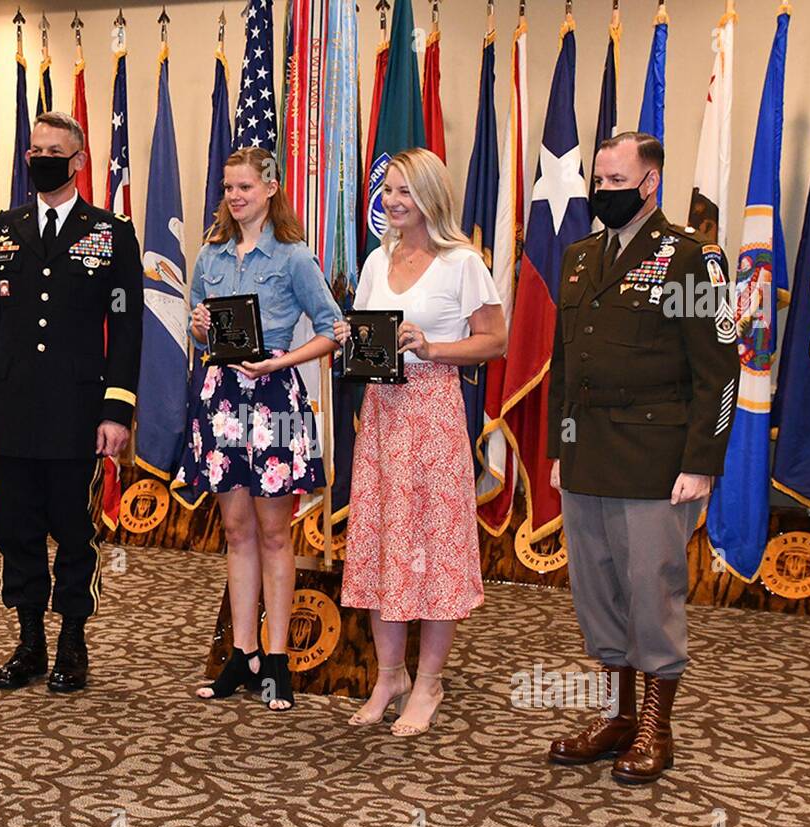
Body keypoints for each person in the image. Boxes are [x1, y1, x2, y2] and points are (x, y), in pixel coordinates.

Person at [546, 131, 739, 783]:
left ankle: (656, 726)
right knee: (598, 592)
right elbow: (564, 364)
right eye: (598, 181)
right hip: (586, 454)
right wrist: (556, 450)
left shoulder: (688, 259)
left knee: (650, 593)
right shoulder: (577, 258)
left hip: (658, 461)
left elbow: (719, 371)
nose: (604, 192)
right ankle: (616, 716)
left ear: (650, 182)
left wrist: (702, 462)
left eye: (617, 182)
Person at [0, 112, 143, 693]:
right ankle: (30, 639)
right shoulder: (0, 230)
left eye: (53, 151)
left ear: (78, 161)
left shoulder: (110, 233)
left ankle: (72, 640)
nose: (40, 159)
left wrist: (116, 411)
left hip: (76, 412)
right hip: (11, 410)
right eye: (34, 149)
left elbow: (126, 328)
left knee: (71, 527)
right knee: (14, 527)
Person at [337, 148, 507, 737]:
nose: (392, 201)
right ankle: (390, 676)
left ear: (431, 195)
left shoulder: (464, 263)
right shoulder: (375, 260)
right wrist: (347, 336)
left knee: (433, 553)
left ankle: (429, 683)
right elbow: (364, 338)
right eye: (387, 190)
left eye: (404, 191)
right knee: (384, 546)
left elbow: (494, 341)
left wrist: (432, 347)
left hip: (433, 417)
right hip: (382, 418)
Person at [179, 146, 341, 712]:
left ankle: (277, 659)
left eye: (245, 186)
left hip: (274, 398)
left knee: (275, 533)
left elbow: (333, 330)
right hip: (221, 400)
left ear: (271, 188)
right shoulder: (210, 256)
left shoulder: (294, 256)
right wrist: (198, 325)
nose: (235, 196)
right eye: (228, 187)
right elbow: (201, 331)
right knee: (237, 530)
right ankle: (242, 652)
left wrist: (282, 360)